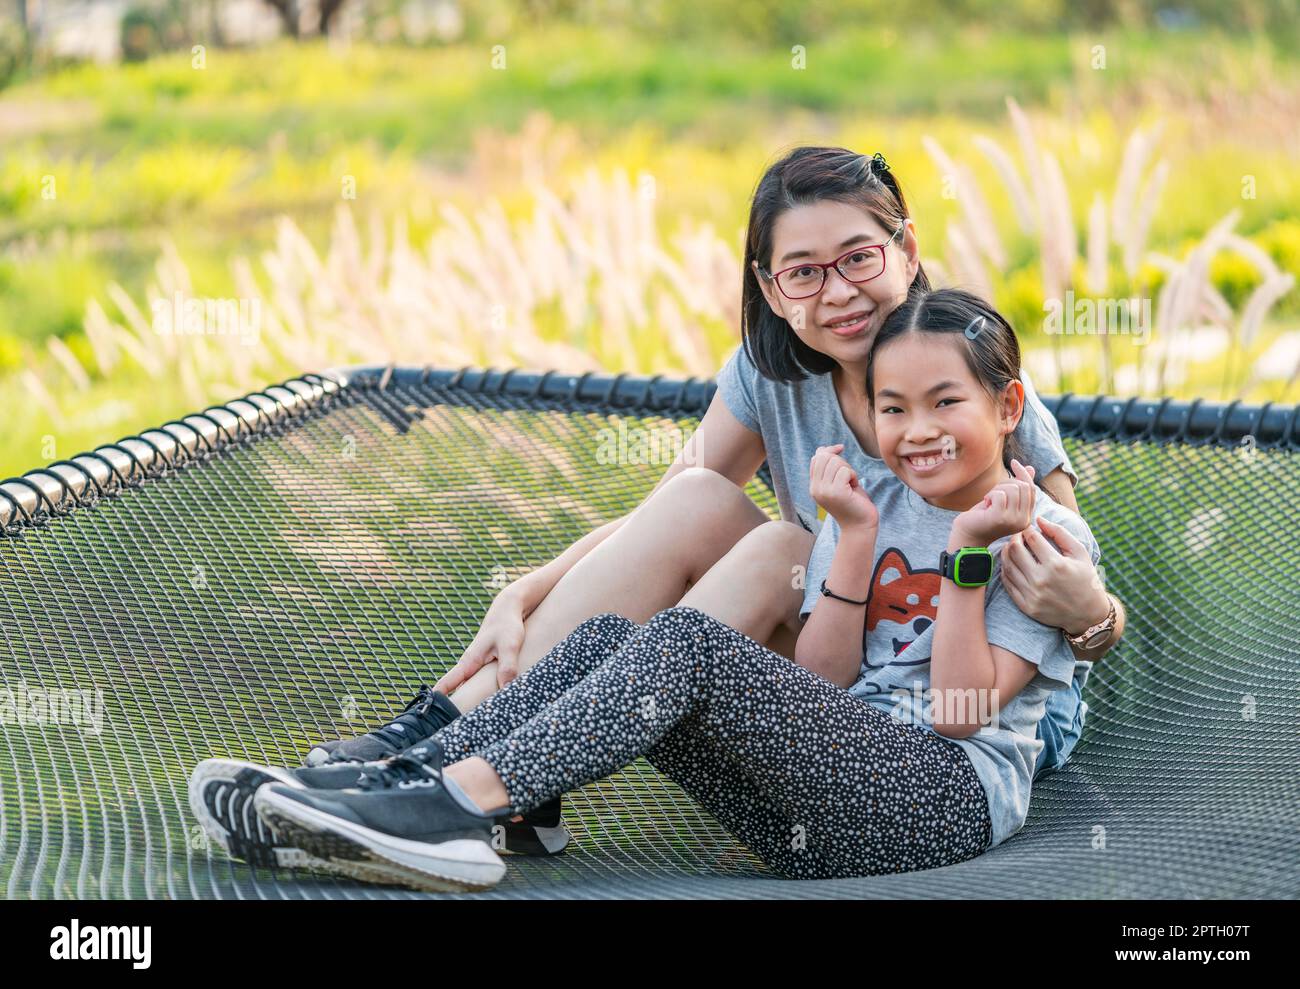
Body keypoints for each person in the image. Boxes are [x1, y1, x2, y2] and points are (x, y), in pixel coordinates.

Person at [189, 147, 1123, 868]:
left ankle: (460, 800)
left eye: (858, 259)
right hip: (840, 766)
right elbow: (686, 520)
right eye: (804, 270)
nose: (837, 291)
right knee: (618, 636)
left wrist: (1051, 595)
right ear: (770, 286)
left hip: (942, 787)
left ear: (905, 251)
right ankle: (420, 777)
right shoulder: (823, 444)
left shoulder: (998, 453)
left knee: (690, 639)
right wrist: (532, 584)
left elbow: (980, 685)